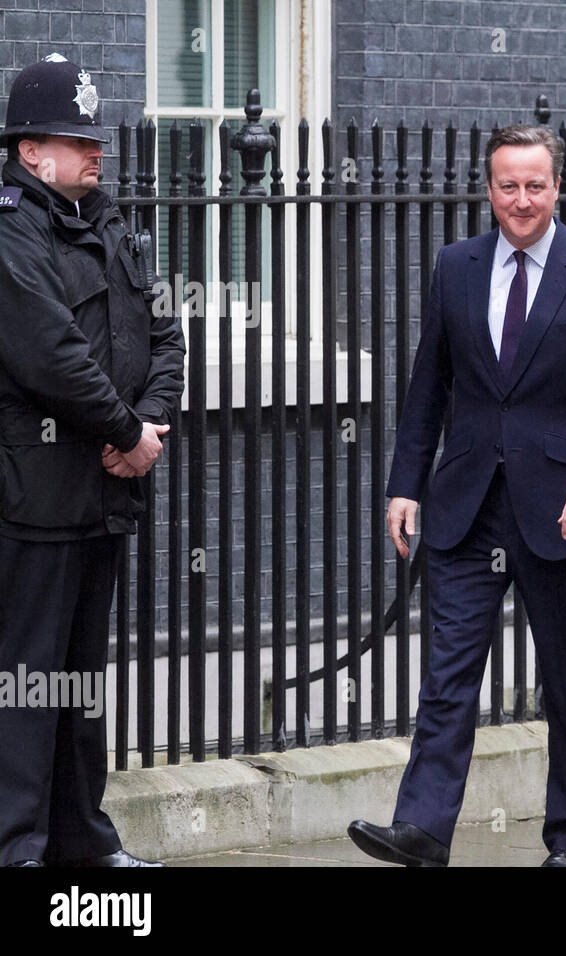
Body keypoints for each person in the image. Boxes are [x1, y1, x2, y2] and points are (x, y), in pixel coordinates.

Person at [348, 124, 566, 867]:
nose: (521, 199)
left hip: (564, 510)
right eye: (507, 185)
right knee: (448, 674)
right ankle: (421, 829)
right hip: (467, 504)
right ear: (489, 189)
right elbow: (430, 385)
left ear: (558, 188)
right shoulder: (457, 265)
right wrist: (404, 486)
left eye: (535, 185)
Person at [0, 54, 185, 867]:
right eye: (76, 140)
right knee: (26, 684)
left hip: (104, 495)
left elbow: (167, 331)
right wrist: (125, 432)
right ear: (30, 152)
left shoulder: (111, 221)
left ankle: (83, 842)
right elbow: (49, 352)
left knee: (78, 684)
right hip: (34, 495)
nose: (95, 151)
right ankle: (19, 847)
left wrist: (149, 421)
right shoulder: (11, 227)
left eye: (94, 138)